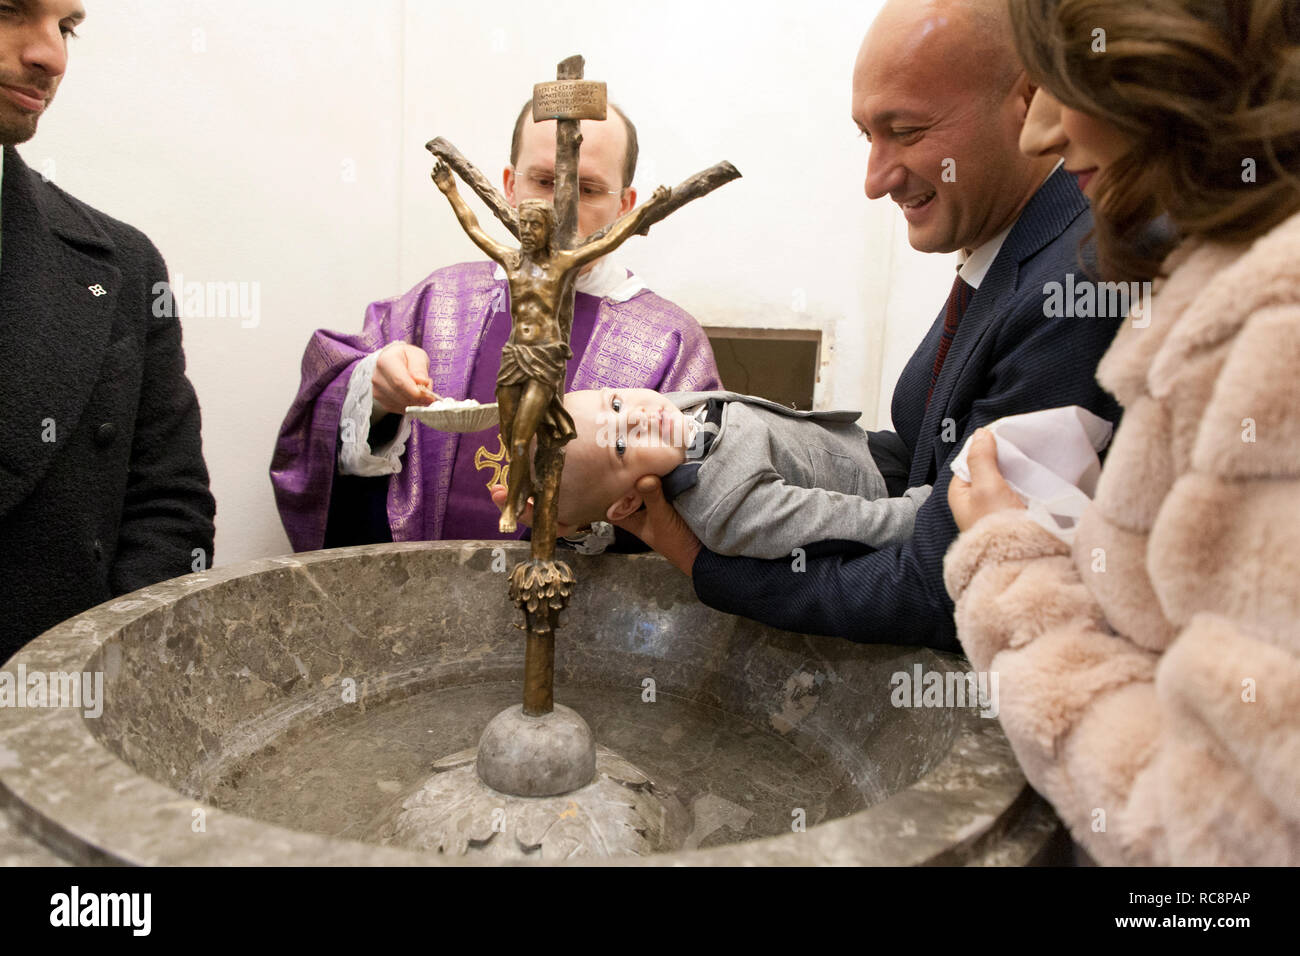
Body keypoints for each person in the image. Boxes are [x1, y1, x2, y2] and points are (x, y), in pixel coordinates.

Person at [615, 0, 1123, 650]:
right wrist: (728, 450)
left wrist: (703, 564)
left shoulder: (1077, 282)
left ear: (1025, 98)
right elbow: (914, 466)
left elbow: (943, 583)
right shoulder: (1007, 245)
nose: (874, 180)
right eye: (867, 136)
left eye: (907, 132)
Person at [945, 0, 1300, 865]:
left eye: (1068, 82)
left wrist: (1012, 575)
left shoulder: (1274, 331)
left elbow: (1215, 847)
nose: (1041, 136)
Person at [271, 100, 722, 551]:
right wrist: (374, 393)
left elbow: (701, 496)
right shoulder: (440, 298)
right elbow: (325, 396)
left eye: (587, 188)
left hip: (582, 608)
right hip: (419, 599)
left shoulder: (670, 341)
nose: (560, 208)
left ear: (626, 206)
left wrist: (592, 522)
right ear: (509, 186)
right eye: (544, 181)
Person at [0, 1, 216, 659]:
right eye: (10, 9)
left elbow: (170, 512)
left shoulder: (121, 264)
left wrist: (91, 688)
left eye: (66, 27)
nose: (52, 56)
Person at [553, 387, 930, 558]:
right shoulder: (727, 508)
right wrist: (931, 513)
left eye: (615, 404)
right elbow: (846, 524)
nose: (636, 416)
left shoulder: (673, 411)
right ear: (630, 500)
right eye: (620, 446)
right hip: (887, 489)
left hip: (860, 443)